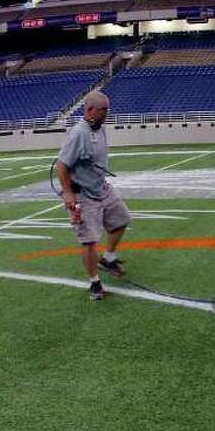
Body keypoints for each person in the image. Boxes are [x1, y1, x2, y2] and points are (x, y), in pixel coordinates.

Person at [55, 90, 131, 300]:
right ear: (89, 110)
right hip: (82, 195)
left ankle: (107, 259)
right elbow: (61, 166)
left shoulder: (100, 129)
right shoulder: (78, 133)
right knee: (89, 241)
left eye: (107, 110)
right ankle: (94, 283)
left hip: (101, 187)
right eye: (103, 111)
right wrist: (69, 194)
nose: (106, 114)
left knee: (121, 219)